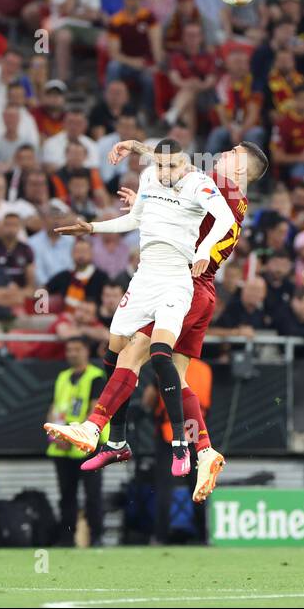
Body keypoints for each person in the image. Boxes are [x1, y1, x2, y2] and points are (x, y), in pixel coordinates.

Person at [76, 139, 268, 505]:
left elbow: (173, 162)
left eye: (232, 154)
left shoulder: (220, 184)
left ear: (241, 169)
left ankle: (97, 429)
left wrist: (136, 147)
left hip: (184, 285)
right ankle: (206, 451)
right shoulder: (236, 200)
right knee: (176, 378)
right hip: (204, 293)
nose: (223, 154)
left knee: (129, 353)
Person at [44, 137, 237, 477]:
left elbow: (223, 219)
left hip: (177, 280)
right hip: (143, 280)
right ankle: (118, 442)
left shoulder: (200, 182)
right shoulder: (150, 177)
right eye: (161, 165)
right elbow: (135, 218)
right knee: (115, 353)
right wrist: (92, 227)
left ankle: (174, 442)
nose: (167, 172)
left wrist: (205, 248)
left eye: (174, 165)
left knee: (160, 352)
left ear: (187, 164)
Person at [45, 336, 106, 546]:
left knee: (92, 495)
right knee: (66, 496)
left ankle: (96, 537)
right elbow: (54, 407)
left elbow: (95, 411)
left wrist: (72, 437)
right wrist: (53, 435)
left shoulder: (96, 377)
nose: (72, 353)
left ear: (86, 352)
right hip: (62, 448)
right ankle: (66, 538)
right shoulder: (62, 377)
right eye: (69, 349)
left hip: (88, 447)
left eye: (77, 349)